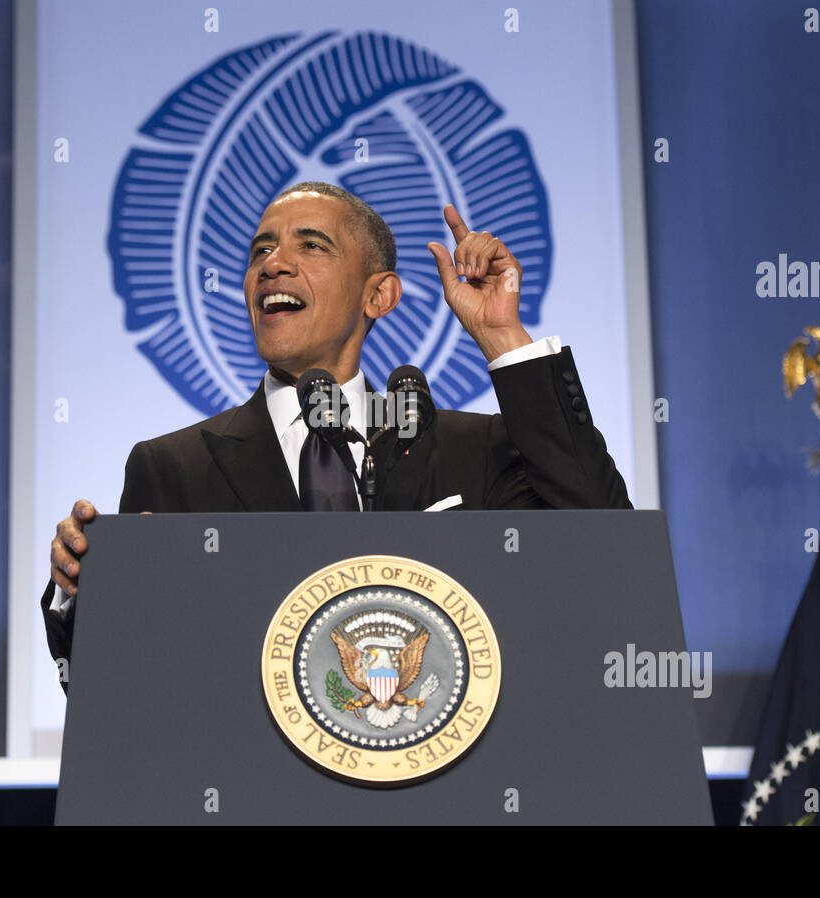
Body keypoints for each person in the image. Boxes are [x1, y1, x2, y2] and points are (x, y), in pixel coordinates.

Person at [42, 182, 632, 688]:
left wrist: (502, 336)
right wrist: (88, 590)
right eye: (261, 249)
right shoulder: (173, 467)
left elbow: (608, 547)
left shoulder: (473, 452)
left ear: (379, 295)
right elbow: (122, 693)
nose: (273, 263)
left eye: (311, 245)